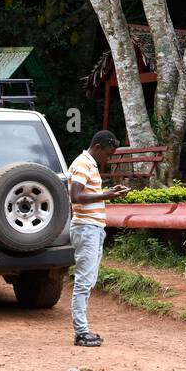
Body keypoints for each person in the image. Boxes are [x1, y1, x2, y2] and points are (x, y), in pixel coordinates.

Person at [67, 130, 129, 347]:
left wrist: (109, 191)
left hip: (91, 228)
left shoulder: (88, 164)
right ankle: (81, 332)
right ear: (99, 147)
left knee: (88, 280)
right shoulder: (84, 164)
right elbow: (76, 196)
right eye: (108, 154)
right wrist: (107, 195)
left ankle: (83, 330)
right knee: (83, 282)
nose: (108, 159)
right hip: (86, 229)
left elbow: (84, 195)